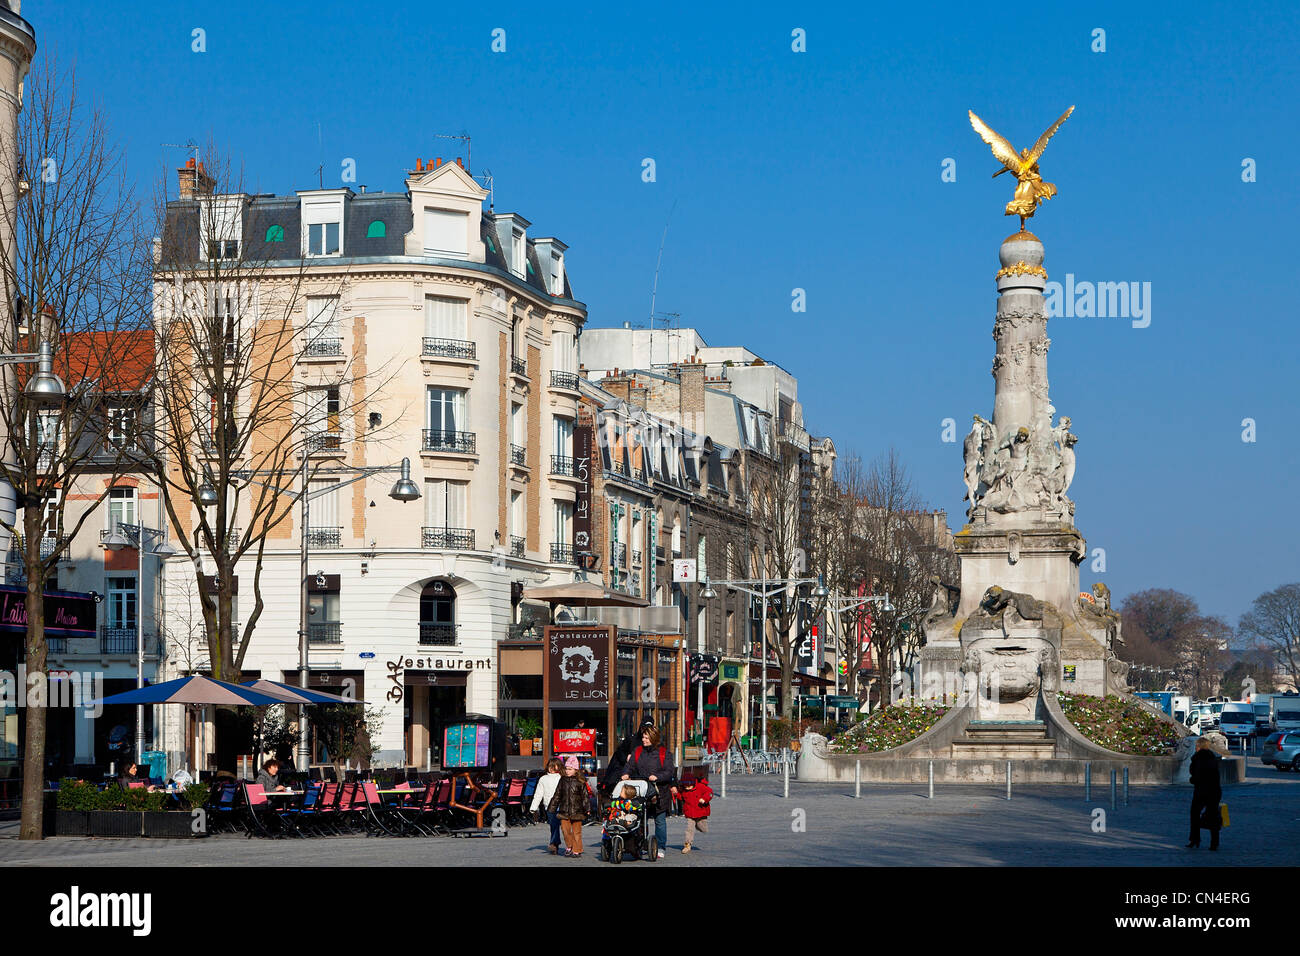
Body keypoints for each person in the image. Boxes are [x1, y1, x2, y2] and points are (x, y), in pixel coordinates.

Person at [621, 725, 676, 858]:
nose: (644, 740)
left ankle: (661, 846)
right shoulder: (638, 751)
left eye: (646, 738)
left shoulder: (664, 753)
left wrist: (658, 777)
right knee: (640, 819)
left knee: (659, 820)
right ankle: (640, 844)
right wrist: (626, 774)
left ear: (653, 738)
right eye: (643, 737)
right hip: (641, 789)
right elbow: (630, 765)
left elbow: (669, 771)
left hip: (659, 791)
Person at [549, 756, 590, 857]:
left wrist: (587, 808)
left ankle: (577, 849)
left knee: (577, 832)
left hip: (577, 811)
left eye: (570, 769)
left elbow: (585, 796)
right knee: (565, 830)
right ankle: (569, 846)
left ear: (576, 770)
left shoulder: (581, 781)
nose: (567, 771)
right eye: (566, 768)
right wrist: (552, 807)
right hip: (564, 811)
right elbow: (557, 795)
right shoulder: (562, 780)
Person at [1187, 737, 1222, 850]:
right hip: (1214, 791)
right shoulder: (1212, 757)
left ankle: (1195, 839)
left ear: (1199, 746)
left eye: (1197, 745)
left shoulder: (1198, 758)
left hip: (1202, 790)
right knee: (1213, 816)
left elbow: (1197, 775)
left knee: (1195, 814)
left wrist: (1192, 780)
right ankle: (1214, 843)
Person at [530, 758, 564, 854]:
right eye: (550, 766)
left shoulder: (562, 777)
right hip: (549, 806)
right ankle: (554, 844)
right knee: (554, 825)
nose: (551, 768)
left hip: (562, 806)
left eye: (554, 766)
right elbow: (538, 794)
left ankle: (569, 845)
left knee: (565, 827)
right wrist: (534, 807)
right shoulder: (543, 779)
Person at [680, 775, 713, 854]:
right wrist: (675, 794)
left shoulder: (701, 787)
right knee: (689, 829)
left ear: (693, 783)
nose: (687, 788)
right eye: (686, 786)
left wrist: (704, 799)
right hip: (690, 813)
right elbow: (680, 796)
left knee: (703, 829)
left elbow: (710, 793)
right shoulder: (683, 790)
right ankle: (687, 844)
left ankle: (697, 825)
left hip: (701, 812)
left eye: (689, 786)